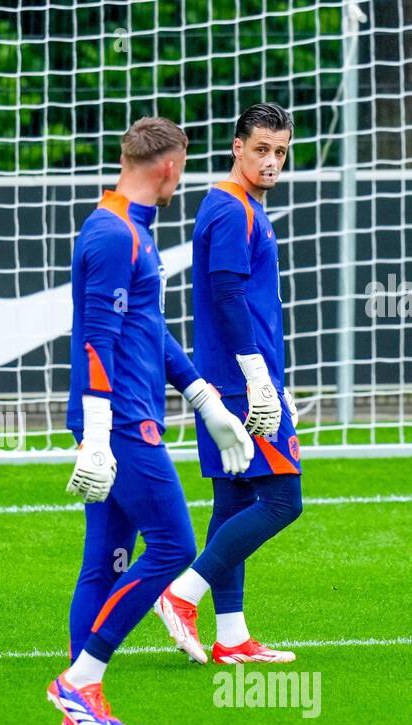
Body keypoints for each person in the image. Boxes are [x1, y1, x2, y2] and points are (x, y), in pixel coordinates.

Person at [50, 117, 253, 725]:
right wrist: (102, 431)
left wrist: (202, 397)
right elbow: (97, 337)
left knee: (104, 563)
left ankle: (84, 713)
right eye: (183, 169)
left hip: (123, 415)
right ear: (168, 167)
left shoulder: (127, 228)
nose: (181, 181)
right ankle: (80, 680)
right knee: (172, 546)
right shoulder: (115, 235)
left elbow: (149, 330)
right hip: (124, 423)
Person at [154, 103, 303, 666]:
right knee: (284, 500)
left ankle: (233, 634)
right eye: (261, 148)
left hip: (240, 375)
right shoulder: (229, 208)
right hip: (240, 381)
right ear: (236, 147)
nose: (271, 161)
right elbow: (226, 296)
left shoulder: (240, 207)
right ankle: (181, 595)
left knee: (234, 499)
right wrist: (258, 377)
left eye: (280, 151)